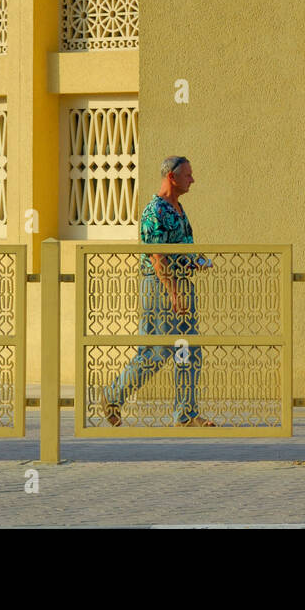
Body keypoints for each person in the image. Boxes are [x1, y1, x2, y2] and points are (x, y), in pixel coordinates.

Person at [102, 156, 216, 427]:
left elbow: (180, 247)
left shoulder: (178, 208)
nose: (193, 180)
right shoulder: (155, 211)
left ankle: (185, 415)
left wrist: (197, 260)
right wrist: (173, 293)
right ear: (172, 178)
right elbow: (157, 257)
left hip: (181, 285)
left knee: (189, 350)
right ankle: (113, 395)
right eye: (188, 175)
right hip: (160, 286)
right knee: (157, 351)